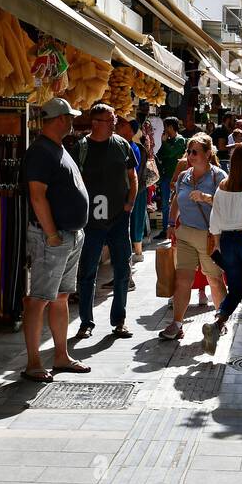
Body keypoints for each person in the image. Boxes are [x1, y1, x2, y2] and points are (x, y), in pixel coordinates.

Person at [21, 98, 91, 381]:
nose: (73, 121)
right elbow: (37, 195)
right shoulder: (40, 151)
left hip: (69, 236)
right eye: (70, 116)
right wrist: (50, 233)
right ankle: (34, 362)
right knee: (38, 299)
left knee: (61, 297)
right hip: (52, 236)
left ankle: (61, 356)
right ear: (60, 118)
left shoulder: (59, 148)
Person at [72, 104, 137, 341]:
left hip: (119, 218)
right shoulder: (81, 147)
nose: (115, 124)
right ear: (96, 123)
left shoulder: (122, 145)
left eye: (115, 119)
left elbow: (133, 176)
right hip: (91, 222)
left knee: (122, 269)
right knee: (88, 271)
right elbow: (73, 183)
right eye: (110, 120)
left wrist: (129, 203)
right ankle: (86, 322)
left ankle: (119, 320)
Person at [160, 134, 227, 341]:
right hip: (186, 234)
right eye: (188, 152)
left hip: (209, 236)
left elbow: (227, 204)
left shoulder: (219, 177)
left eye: (195, 152)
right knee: (182, 280)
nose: (190, 156)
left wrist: (206, 198)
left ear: (208, 154)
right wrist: (171, 224)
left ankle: (221, 321)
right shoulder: (184, 176)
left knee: (214, 280)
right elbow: (176, 202)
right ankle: (177, 323)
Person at [203, 142, 242, 355]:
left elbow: (215, 221)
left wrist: (220, 246)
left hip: (228, 241)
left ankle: (218, 323)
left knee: (236, 291)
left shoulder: (222, 187)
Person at [116, 115, 148, 264]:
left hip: (133, 191)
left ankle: (134, 255)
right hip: (134, 190)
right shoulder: (131, 146)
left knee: (133, 222)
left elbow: (132, 175)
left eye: (122, 126)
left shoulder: (131, 148)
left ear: (129, 131)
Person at [155, 116, 186, 239]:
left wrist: (164, 143)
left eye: (166, 126)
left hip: (177, 177)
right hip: (165, 176)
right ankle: (165, 229)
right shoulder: (166, 141)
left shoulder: (180, 140)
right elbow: (161, 155)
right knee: (164, 203)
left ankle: (175, 227)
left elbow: (170, 153)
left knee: (176, 202)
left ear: (171, 127)